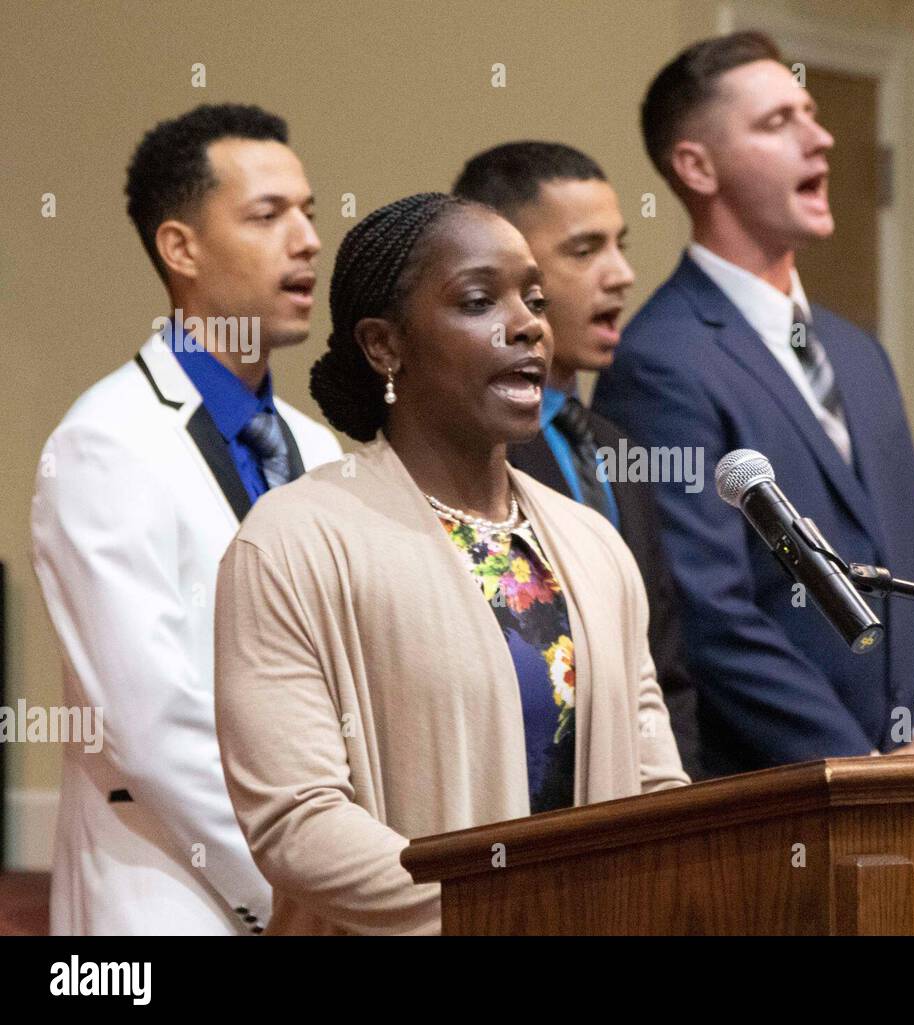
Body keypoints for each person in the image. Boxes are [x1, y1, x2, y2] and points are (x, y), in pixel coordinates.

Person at [214, 193, 688, 935]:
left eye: (533, 298)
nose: (529, 323)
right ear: (384, 346)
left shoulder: (592, 543)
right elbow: (299, 822)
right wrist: (510, 915)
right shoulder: (293, 540)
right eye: (478, 300)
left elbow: (656, 783)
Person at [593, 32, 914, 776]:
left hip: (913, 779)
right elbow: (709, 614)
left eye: (812, 113)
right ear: (697, 165)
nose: (819, 138)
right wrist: (856, 764)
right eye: (776, 123)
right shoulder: (660, 361)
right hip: (778, 791)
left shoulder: (858, 352)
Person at [30, 103, 341, 935]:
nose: (308, 239)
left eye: (309, 212)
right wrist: (302, 891)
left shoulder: (314, 444)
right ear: (180, 247)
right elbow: (149, 723)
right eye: (268, 215)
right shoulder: (106, 440)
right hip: (171, 898)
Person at [452, 141, 704, 779]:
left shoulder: (615, 444)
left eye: (622, 245)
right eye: (585, 251)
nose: (620, 274)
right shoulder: (469, 449)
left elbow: (665, 665)